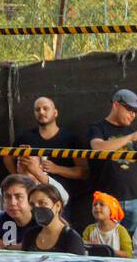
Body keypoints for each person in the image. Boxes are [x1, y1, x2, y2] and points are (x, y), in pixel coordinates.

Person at [87, 89, 137, 235]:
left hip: (135, 198)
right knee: (107, 243)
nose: (133, 114)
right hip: (106, 199)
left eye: (135, 111)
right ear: (116, 105)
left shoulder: (134, 132)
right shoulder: (98, 128)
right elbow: (98, 147)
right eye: (129, 109)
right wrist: (130, 137)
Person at [7, 96, 88, 225]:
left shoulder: (70, 139)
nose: (42, 112)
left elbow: (83, 172)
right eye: (37, 109)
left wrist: (57, 169)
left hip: (60, 199)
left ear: (55, 112)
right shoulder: (25, 137)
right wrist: (19, 175)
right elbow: (6, 156)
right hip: (31, 200)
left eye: (45, 108)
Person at [22, 183, 86, 255]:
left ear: (58, 206)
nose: (36, 208)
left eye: (42, 203)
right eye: (32, 204)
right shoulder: (30, 235)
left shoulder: (71, 238)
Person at [82, 191, 132, 258]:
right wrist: (89, 245)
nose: (97, 207)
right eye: (94, 204)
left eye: (102, 204)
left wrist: (106, 251)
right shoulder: (89, 229)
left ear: (111, 210)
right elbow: (81, 248)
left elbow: (128, 254)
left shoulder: (120, 231)